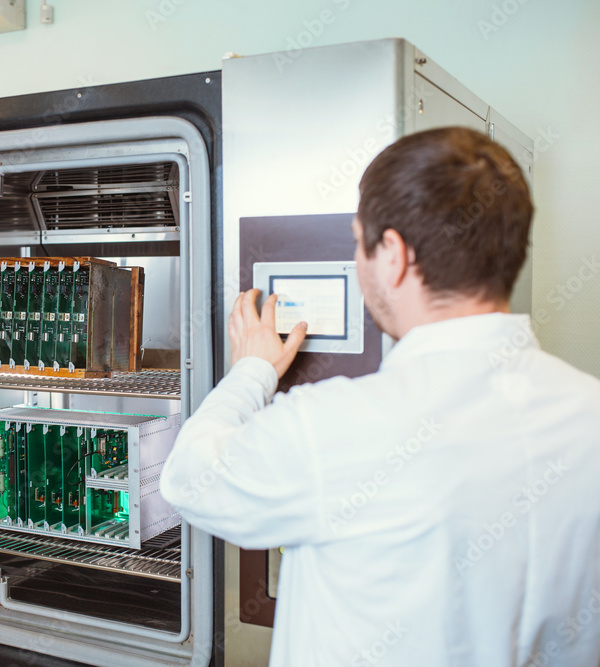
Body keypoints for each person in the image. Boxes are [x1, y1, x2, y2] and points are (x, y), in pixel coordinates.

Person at [160, 127, 600, 666]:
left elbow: (188, 477)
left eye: (357, 242)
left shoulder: (335, 426)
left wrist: (252, 369)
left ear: (391, 254)